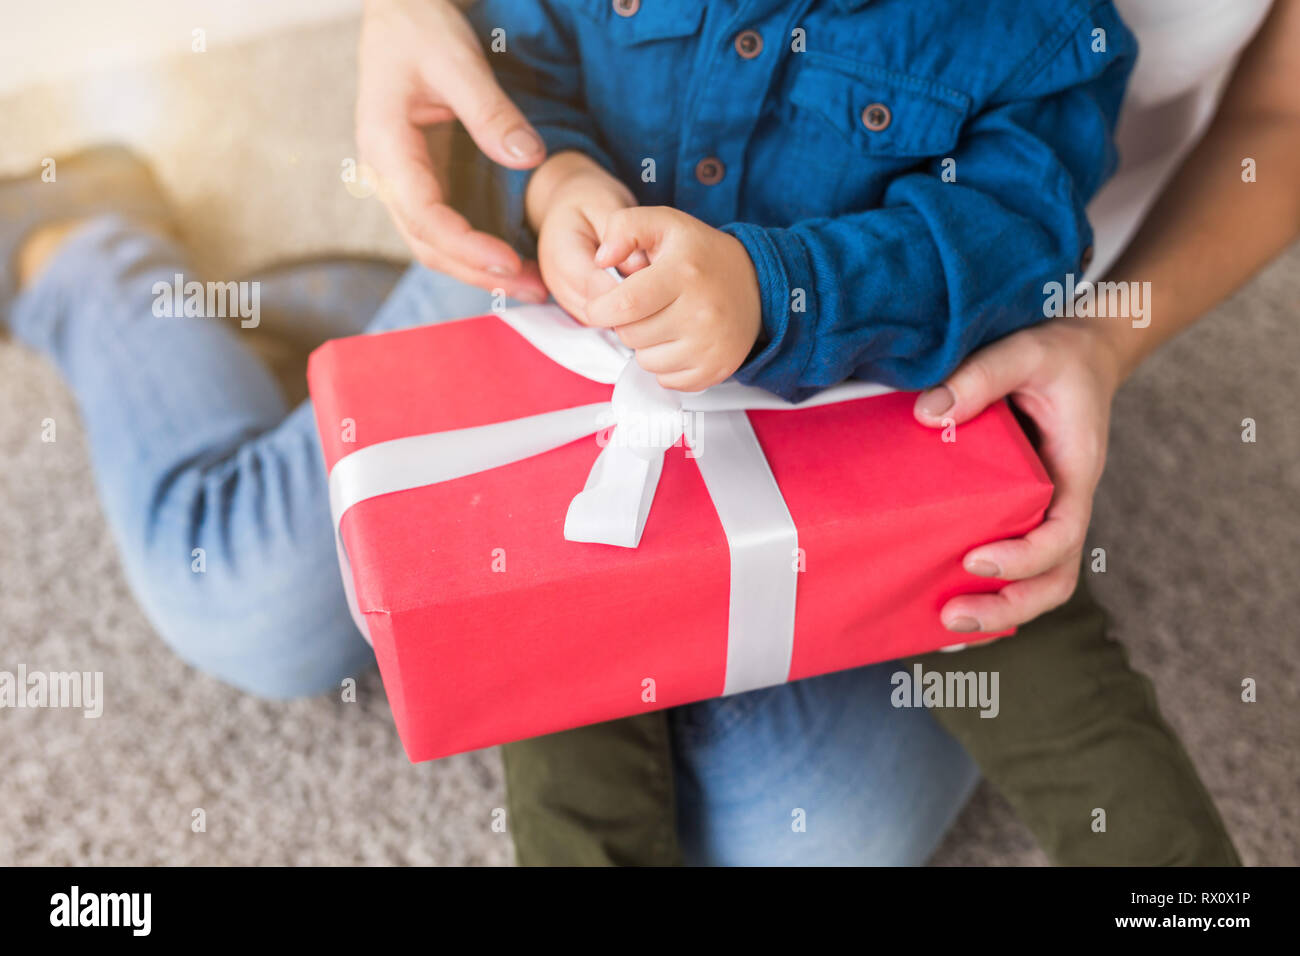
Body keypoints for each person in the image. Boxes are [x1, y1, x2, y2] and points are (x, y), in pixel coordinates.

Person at [0, 0, 1290, 865]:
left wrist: (780, 292)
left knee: (1017, 704)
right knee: (493, 680)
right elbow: (519, 61)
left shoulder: (1043, 32)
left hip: (891, 402)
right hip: (560, 349)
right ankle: (101, 259)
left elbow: (1017, 236)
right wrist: (553, 177)